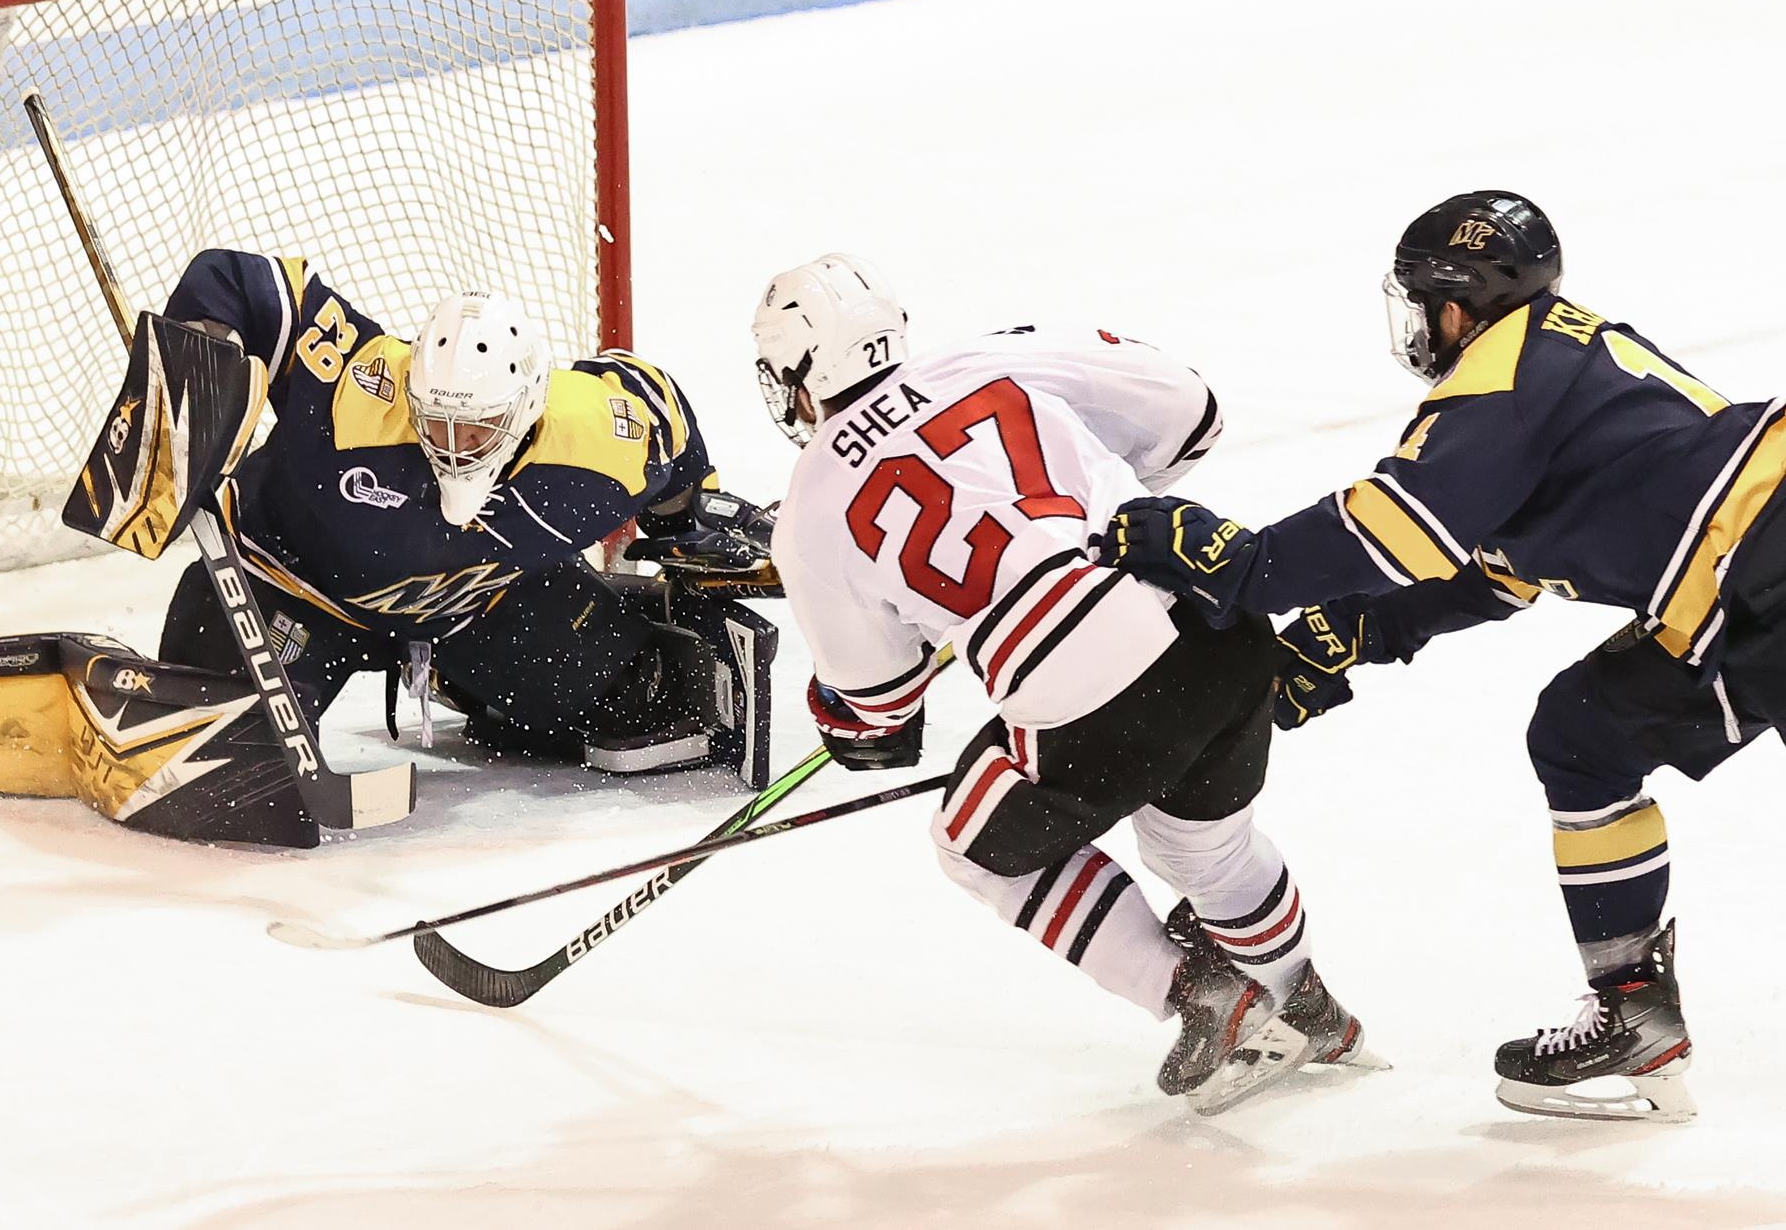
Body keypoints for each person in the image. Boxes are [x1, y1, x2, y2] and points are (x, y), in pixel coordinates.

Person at [1107, 189, 1786, 1122]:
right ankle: (1635, 1008)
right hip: (1734, 592)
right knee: (1585, 732)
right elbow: (1493, 567)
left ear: (1455, 303)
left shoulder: (1503, 374)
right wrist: (1353, 632)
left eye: (1422, 299)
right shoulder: (1556, 362)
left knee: (1590, 728)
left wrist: (1243, 564)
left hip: (1765, 572)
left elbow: (1395, 525)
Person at [755, 252, 1369, 1114]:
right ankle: (1306, 1002)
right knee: (1202, 845)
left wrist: (845, 708)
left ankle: (1201, 997)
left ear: (792, 376)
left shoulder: (809, 509)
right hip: (1220, 623)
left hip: (1091, 692)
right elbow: (1192, 412)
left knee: (971, 842)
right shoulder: (991, 357)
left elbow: (880, 716)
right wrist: (1080, 508)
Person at [154, 248, 752, 765]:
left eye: (477, 427)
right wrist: (200, 367)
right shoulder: (358, 389)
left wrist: (682, 519)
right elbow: (235, 280)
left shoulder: (591, 440)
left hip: (471, 606)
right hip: (292, 588)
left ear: (524, 408)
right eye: (436, 422)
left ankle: (469, 681)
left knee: (633, 697)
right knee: (212, 758)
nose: (453, 446)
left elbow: (658, 404)